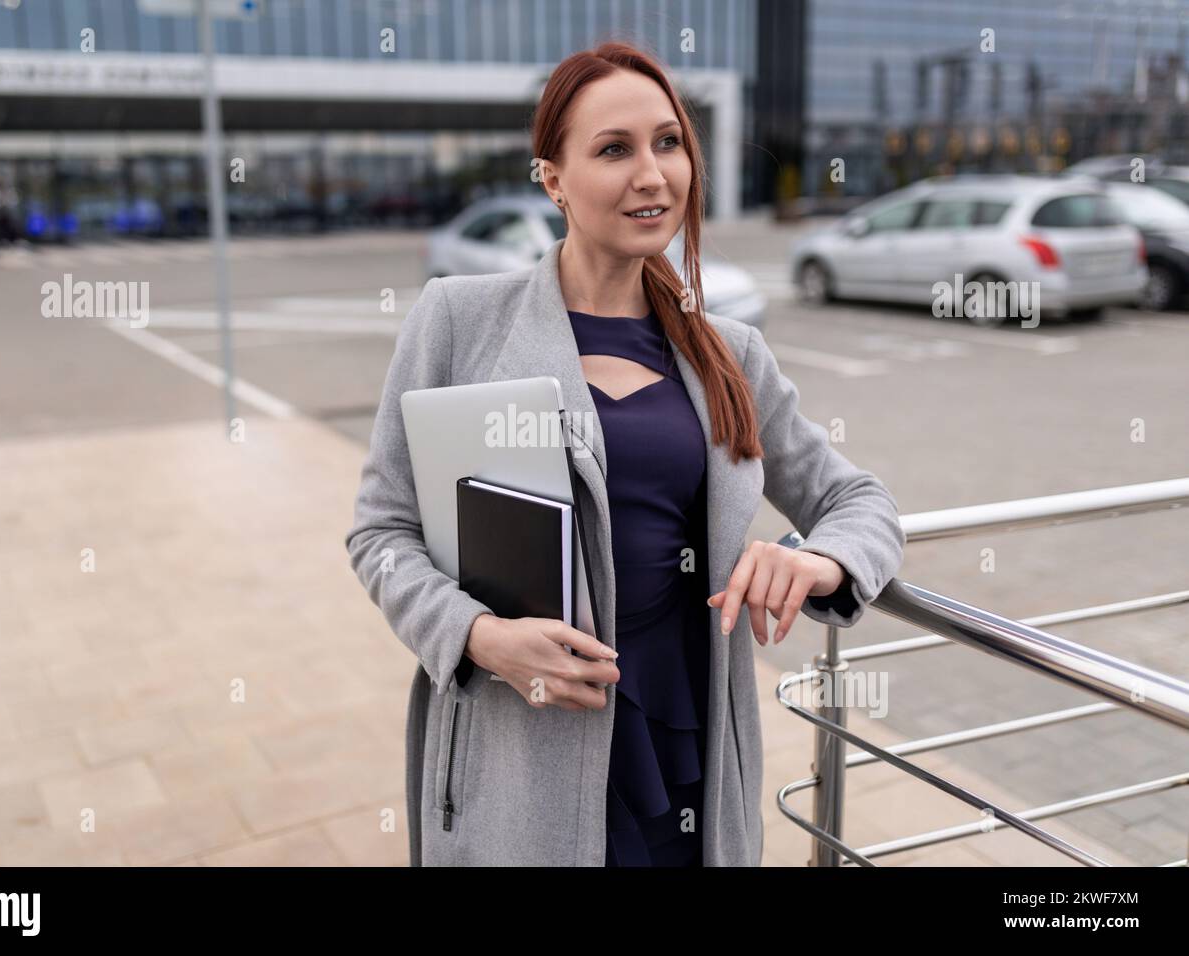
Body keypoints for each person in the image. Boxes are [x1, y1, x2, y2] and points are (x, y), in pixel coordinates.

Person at [344, 41, 906, 866]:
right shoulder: (459, 321)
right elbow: (380, 534)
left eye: (669, 142)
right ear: (553, 178)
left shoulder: (732, 353)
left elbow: (860, 502)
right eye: (614, 149)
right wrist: (477, 636)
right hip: (523, 752)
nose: (653, 174)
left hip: (688, 741)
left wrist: (818, 562)